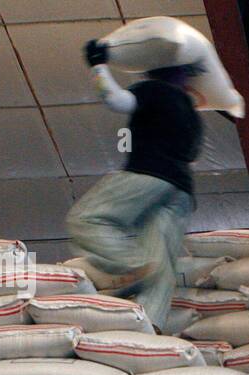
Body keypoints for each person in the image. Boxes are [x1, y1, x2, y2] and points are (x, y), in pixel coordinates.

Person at [65, 38, 204, 333]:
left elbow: (115, 99)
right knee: (160, 259)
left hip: (148, 175)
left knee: (87, 219)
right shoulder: (191, 113)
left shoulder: (153, 91)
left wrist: (97, 66)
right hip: (181, 192)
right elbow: (193, 154)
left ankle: (130, 266)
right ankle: (150, 323)